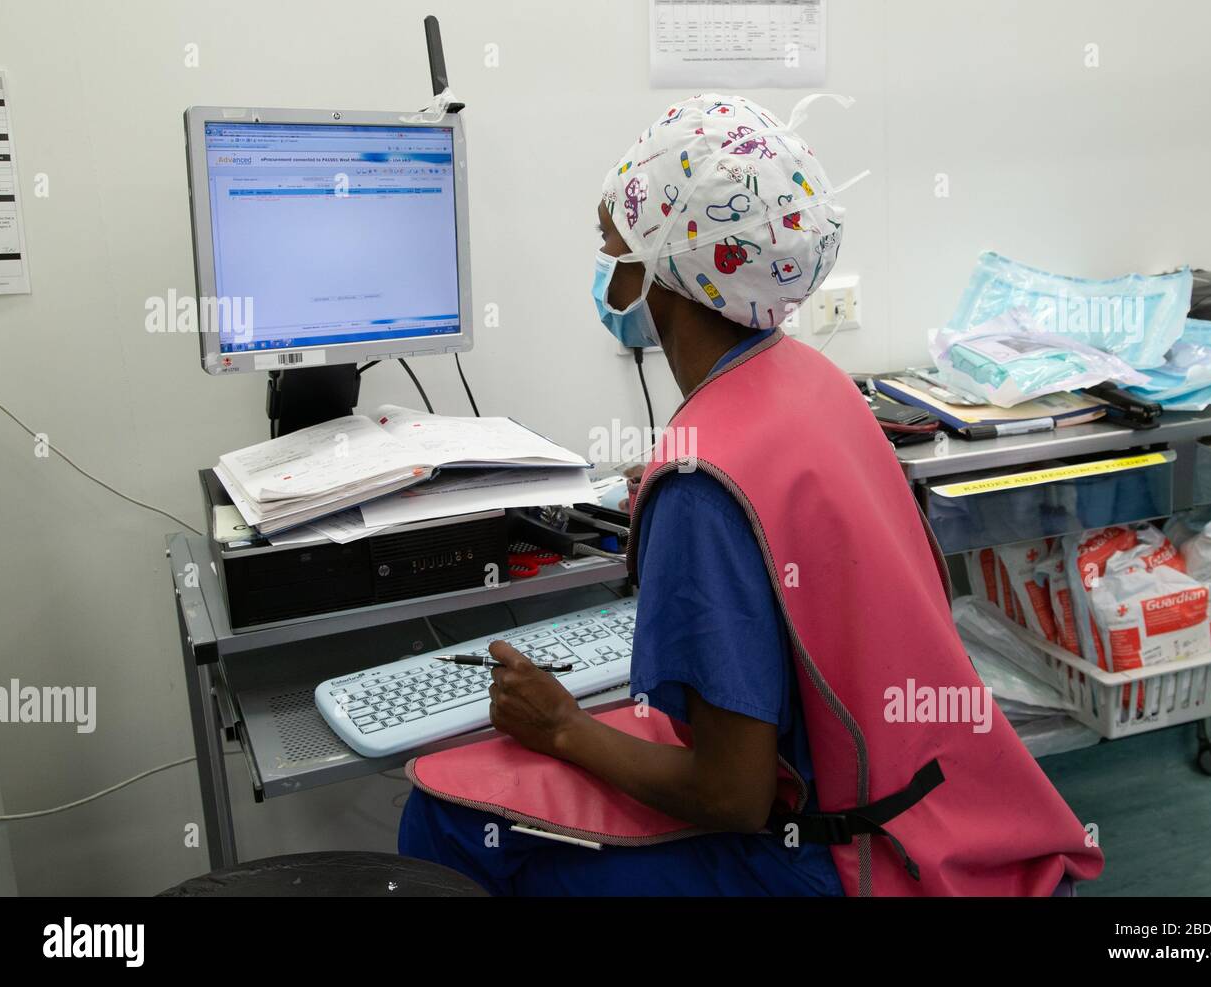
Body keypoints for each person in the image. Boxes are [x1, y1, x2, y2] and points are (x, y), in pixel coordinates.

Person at [398, 93, 1104, 896]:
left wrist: (560, 724)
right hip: (929, 810)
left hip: (830, 860)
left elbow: (731, 796)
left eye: (611, 243)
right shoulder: (815, 381)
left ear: (658, 269)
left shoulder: (703, 485)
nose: (604, 267)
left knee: (445, 816)